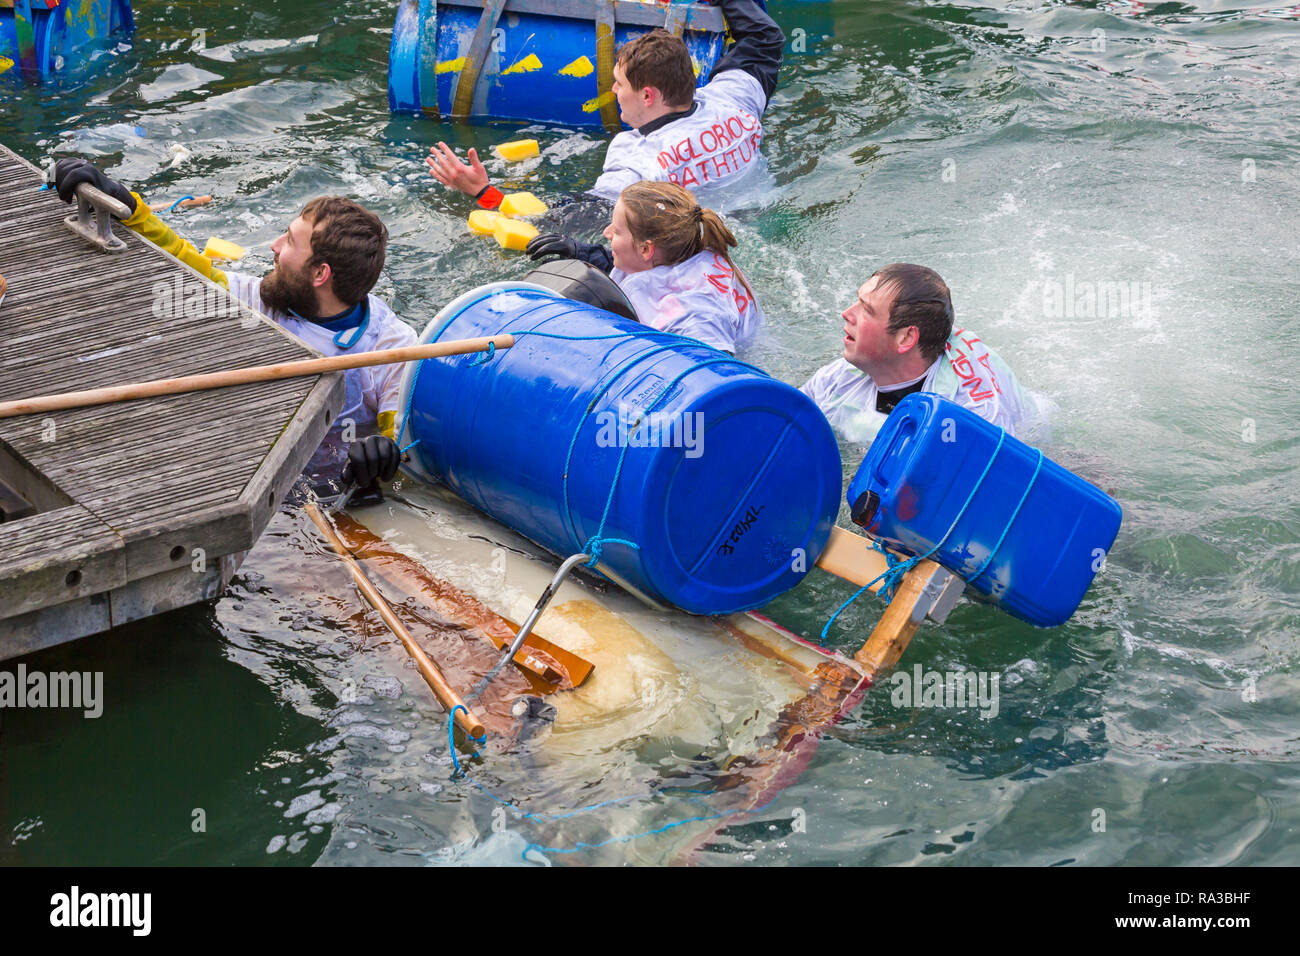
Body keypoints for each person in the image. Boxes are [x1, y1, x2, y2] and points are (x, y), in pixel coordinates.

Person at [50, 159, 416, 494]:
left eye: (289, 241)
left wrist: (385, 456)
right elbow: (185, 264)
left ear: (320, 273)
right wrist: (127, 205)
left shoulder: (393, 347)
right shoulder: (260, 298)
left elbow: (404, 441)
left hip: (330, 493)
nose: (273, 246)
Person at [425, 0, 784, 211]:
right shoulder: (734, 100)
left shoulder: (637, 162)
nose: (611, 90)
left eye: (619, 83)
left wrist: (481, 192)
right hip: (757, 211)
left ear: (648, 96)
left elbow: (555, 223)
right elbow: (765, 37)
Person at [801, 264, 1028, 444]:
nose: (847, 313)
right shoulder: (838, 380)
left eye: (866, 310)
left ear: (906, 338)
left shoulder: (970, 418)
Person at [526, 181, 761, 353]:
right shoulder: (691, 245)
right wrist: (583, 254)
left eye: (616, 231)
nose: (606, 232)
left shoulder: (694, 311)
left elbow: (716, 371)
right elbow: (639, 268)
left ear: (646, 249)